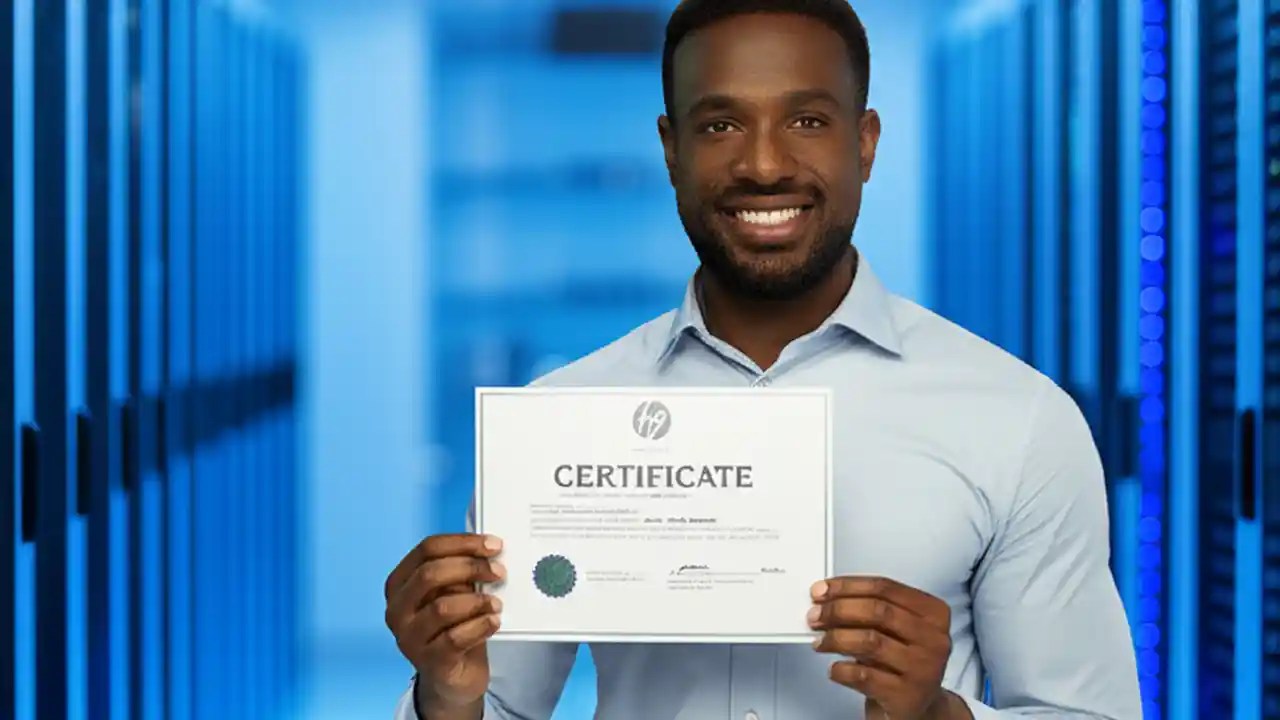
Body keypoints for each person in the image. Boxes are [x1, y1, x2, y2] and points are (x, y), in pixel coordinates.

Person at [384, 1, 1143, 718]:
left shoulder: (1017, 421)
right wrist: (446, 697)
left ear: (866, 141)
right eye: (720, 125)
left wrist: (939, 712)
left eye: (808, 120)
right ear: (671, 150)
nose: (765, 165)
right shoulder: (559, 425)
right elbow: (501, 704)